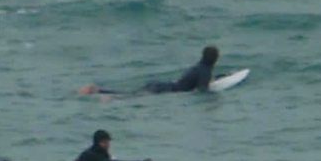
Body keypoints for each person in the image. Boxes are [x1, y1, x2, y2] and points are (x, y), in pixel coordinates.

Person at [79, 46, 220, 96]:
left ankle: (98, 90)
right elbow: (202, 91)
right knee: (128, 96)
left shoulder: (198, 66)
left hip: (162, 85)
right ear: (214, 59)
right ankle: (104, 94)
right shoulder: (205, 71)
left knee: (131, 93)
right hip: (165, 91)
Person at [69, 130, 154, 161]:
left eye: (108, 142)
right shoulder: (91, 155)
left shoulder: (101, 152)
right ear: (98, 142)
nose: (108, 145)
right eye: (105, 142)